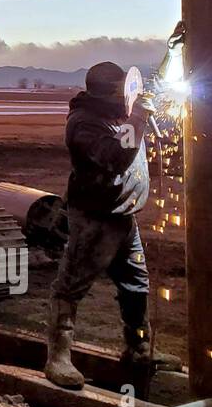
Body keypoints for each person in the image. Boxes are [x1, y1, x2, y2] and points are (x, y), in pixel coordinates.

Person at [44, 61, 155, 389]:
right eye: (123, 90)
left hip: (123, 217)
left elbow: (152, 91)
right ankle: (58, 357)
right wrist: (139, 118)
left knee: (136, 285)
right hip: (95, 218)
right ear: (107, 92)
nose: (129, 95)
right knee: (71, 286)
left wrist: (173, 54)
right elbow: (116, 157)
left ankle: (138, 347)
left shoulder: (118, 112)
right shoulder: (84, 124)